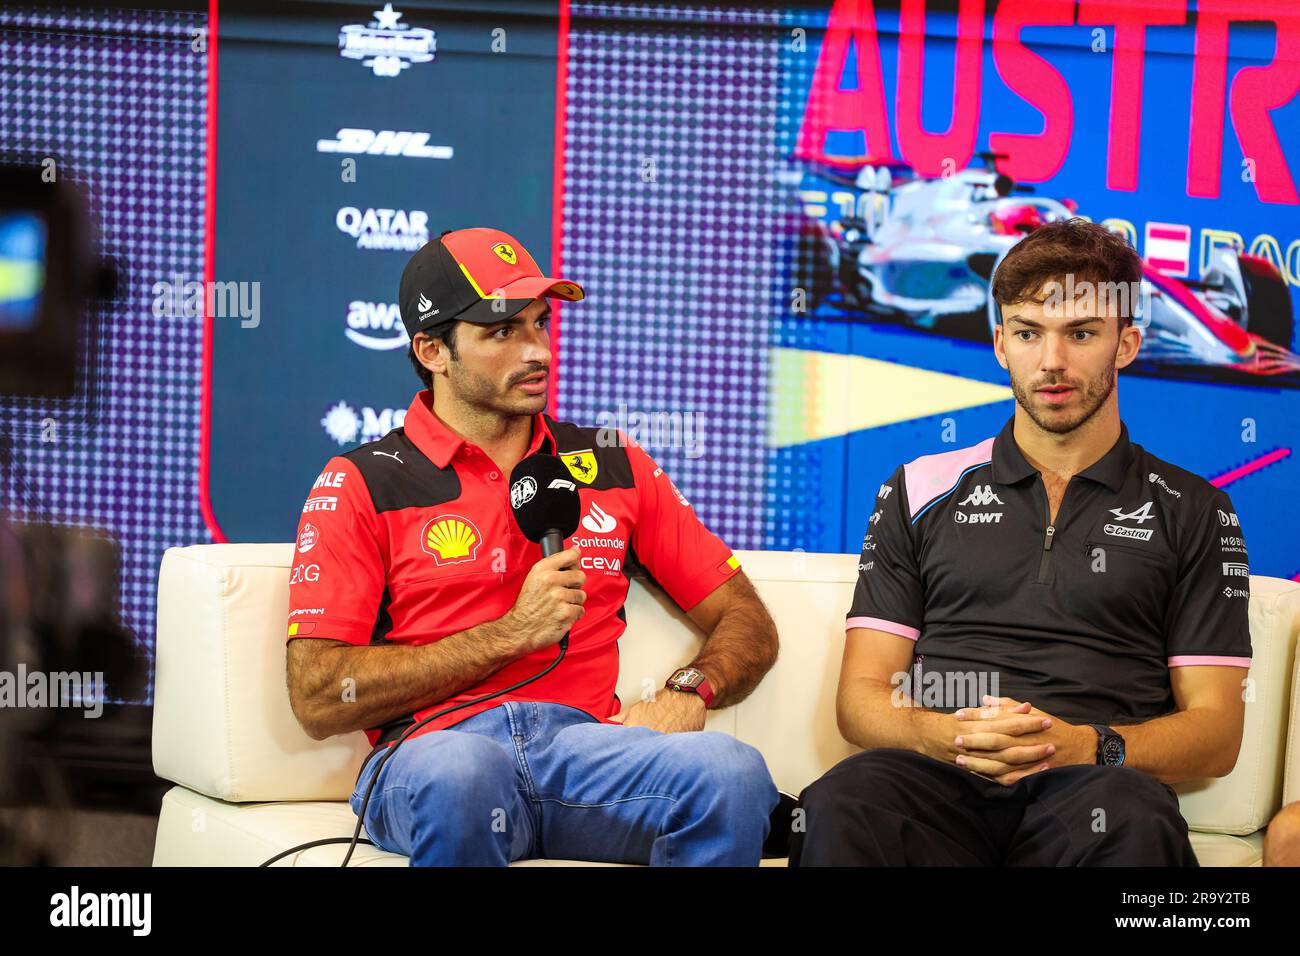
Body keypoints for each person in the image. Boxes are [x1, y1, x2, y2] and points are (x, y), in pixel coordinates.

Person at [285, 227, 779, 866]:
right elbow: (320, 696)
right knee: (464, 774)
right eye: (502, 332)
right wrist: (511, 634)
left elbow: (748, 622)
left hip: (588, 751)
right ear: (433, 349)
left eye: (541, 324)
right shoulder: (363, 481)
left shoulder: (611, 461)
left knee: (732, 774)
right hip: (434, 751)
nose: (538, 350)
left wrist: (689, 691)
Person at [790, 219, 1251, 866]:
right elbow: (863, 695)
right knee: (837, 804)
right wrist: (938, 732)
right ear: (1003, 344)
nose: (1052, 362)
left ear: (1126, 343)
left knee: (1136, 823)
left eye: (1081, 334)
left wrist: (1089, 746)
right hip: (942, 778)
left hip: (1094, 790)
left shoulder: (1197, 510)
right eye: (1030, 334)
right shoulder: (918, 488)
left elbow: (1215, 734)